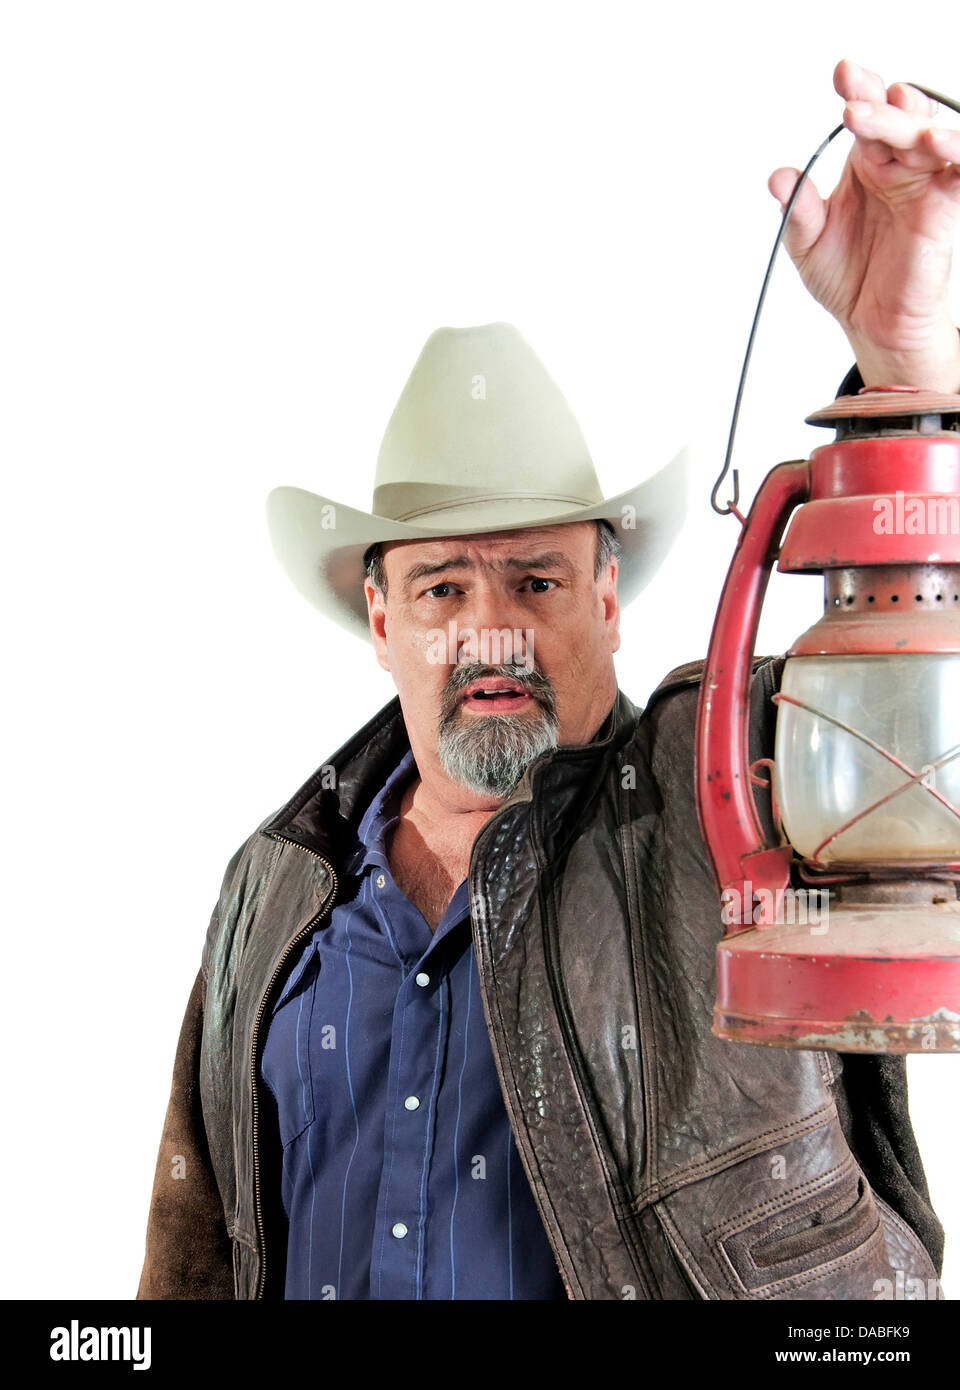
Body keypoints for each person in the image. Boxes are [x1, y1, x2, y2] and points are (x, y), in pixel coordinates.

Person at [137, 60, 960, 1301]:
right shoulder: (274, 885)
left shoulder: (726, 809)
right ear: (379, 619)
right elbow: (188, 1263)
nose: (493, 635)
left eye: (535, 582)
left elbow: (913, 696)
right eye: (441, 591)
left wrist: (906, 371)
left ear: (610, 600)